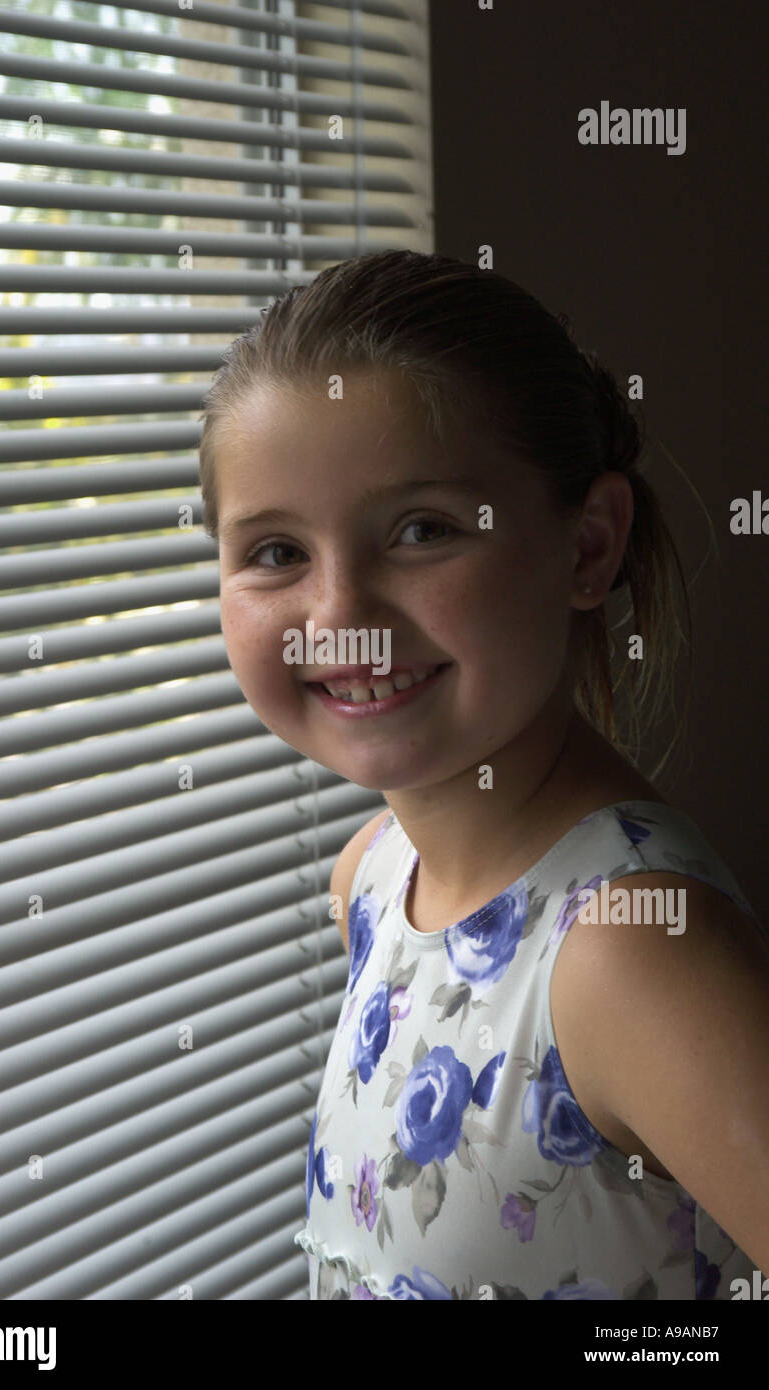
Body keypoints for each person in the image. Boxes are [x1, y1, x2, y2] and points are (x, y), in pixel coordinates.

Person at [196, 250, 769, 1300]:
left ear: (587, 547)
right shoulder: (372, 876)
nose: (338, 617)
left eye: (422, 531)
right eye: (276, 552)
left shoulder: (627, 959)